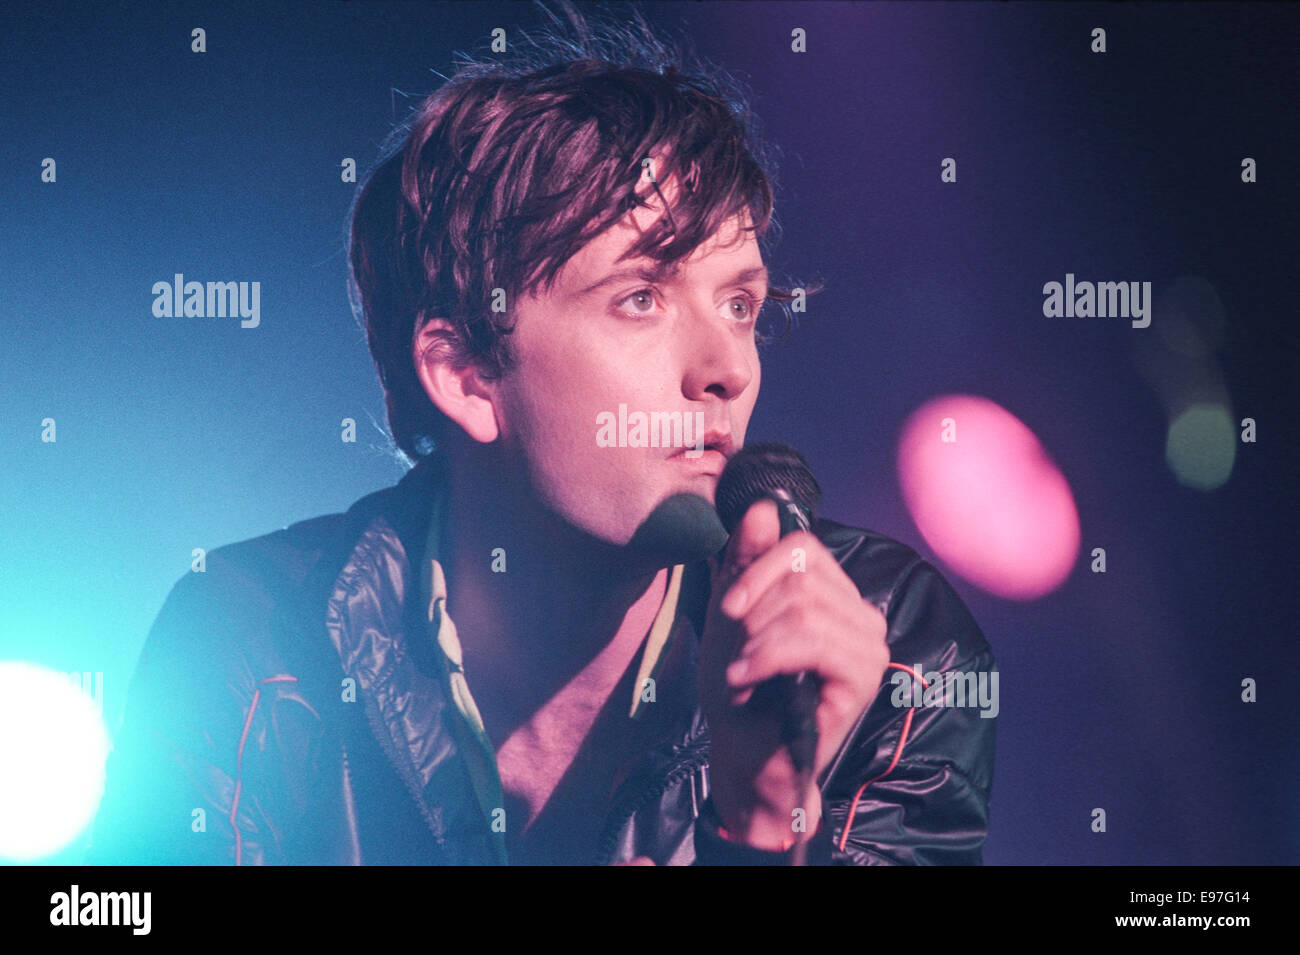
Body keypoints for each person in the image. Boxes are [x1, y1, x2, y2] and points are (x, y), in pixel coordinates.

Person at [87, 2, 995, 866]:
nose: (729, 366)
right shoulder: (251, 647)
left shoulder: (887, 641)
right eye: (640, 298)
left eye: (740, 304)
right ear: (464, 373)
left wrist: (761, 822)